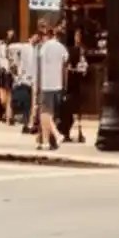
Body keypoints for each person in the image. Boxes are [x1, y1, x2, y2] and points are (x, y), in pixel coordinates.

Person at [35, 21, 69, 151]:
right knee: (48, 112)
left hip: (46, 83)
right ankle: (45, 141)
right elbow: (65, 63)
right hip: (57, 84)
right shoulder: (61, 47)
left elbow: (39, 66)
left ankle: (56, 134)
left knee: (45, 113)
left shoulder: (44, 47)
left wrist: (37, 84)